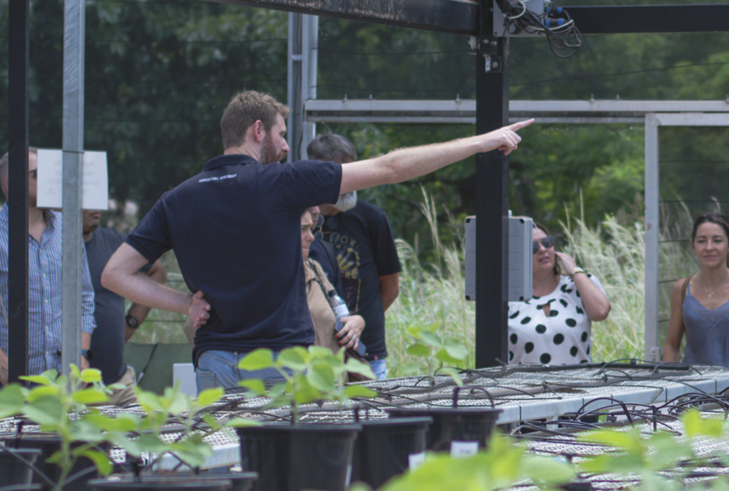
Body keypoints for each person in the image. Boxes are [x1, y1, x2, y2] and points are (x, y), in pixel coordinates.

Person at [100, 90, 531, 391]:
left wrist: (184, 303)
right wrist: (482, 142)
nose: (286, 147)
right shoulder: (283, 183)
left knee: (230, 474)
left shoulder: (177, 199)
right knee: (290, 481)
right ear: (257, 130)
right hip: (279, 363)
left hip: (214, 362)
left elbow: (115, 274)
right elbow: (391, 168)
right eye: (282, 134)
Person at [0, 148, 94, 382]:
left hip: (60, 377)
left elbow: (84, 297)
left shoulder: (69, 228)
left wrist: (81, 353)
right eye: (38, 174)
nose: (50, 181)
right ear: (13, 184)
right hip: (4, 381)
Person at [307, 133, 402, 380]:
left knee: (372, 416)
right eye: (343, 173)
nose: (352, 181)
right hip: (318, 352)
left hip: (366, 352)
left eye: (354, 170)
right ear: (320, 173)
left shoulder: (373, 219)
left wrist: (361, 323)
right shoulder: (301, 220)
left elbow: (391, 287)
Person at [83, 209, 167, 385]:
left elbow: (156, 271)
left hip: (118, 383)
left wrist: (131, 322)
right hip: (70, 387)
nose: (97, 208)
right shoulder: (47, 248)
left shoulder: (113, 242)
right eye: (87, 199)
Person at [506, 224, 610, 365]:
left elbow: (601, 312)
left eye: (547, 242)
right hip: (523, 387)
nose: (542, 249)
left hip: (577, 385)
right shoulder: (508, 296)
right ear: (517, 255)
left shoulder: (579, 284)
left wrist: (574, 271)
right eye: (533, 247)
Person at [663, 213, 729, 365]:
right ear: (692, 246)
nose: (709, 247)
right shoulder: (682, 289)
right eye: (701, 241)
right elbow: (672, 345)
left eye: (717, 240)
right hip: (692, 386)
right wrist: (668, 382)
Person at [300, 207, 364, 354]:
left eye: (312, 229)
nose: (311, 237)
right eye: (303, 229)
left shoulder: (314, 267)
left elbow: (338, 312)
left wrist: (356, 322)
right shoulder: (263, 277)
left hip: (332, 372)